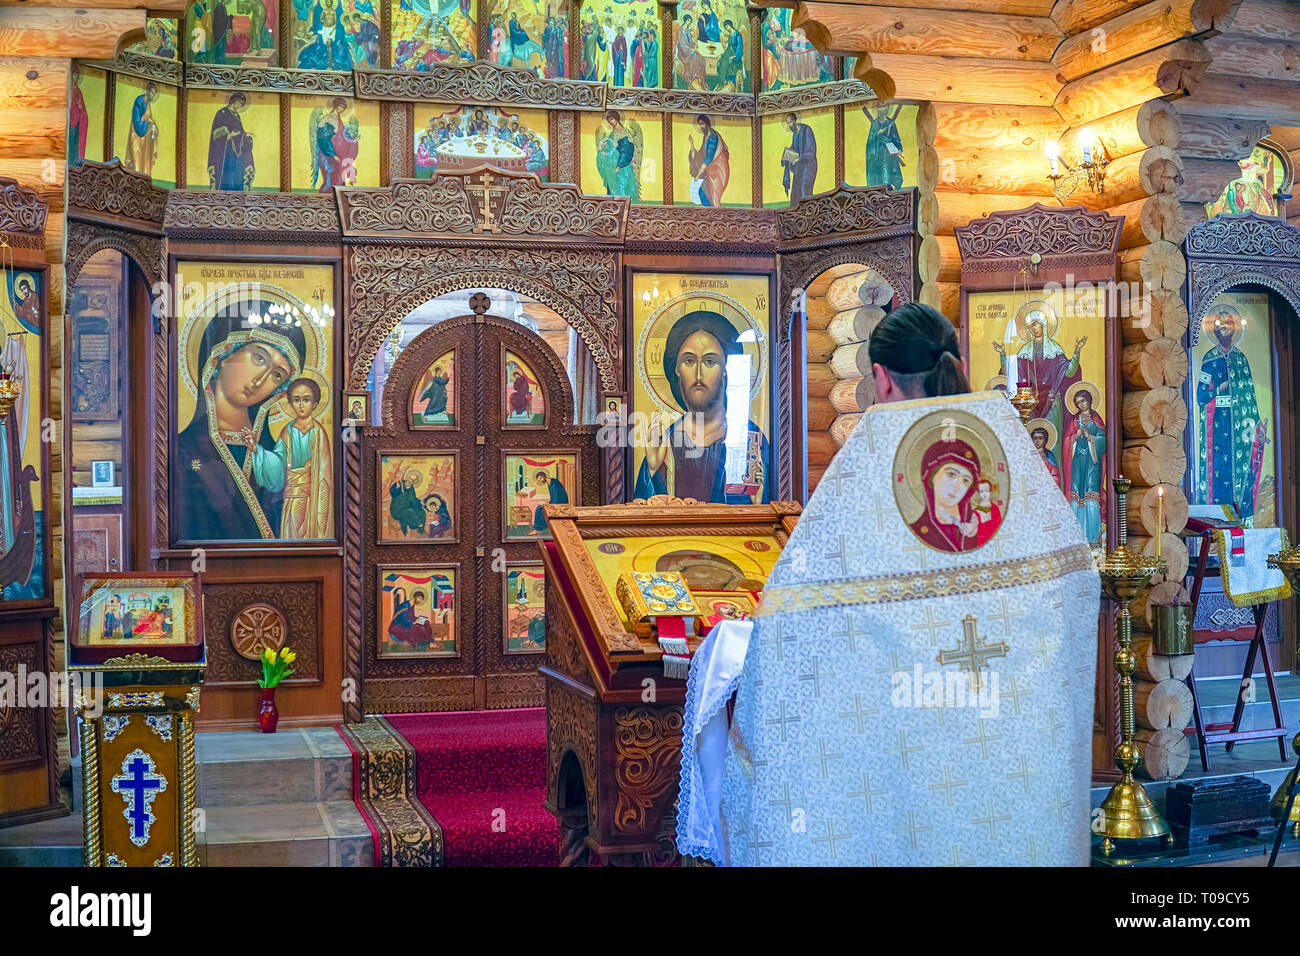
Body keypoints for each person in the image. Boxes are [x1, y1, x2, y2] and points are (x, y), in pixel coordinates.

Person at [677, 302, 1100, 866]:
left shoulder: (873, 464)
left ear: (879, 377)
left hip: (905, 735)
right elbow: (1072, 589)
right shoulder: (1010, 453)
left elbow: (796, 618)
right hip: (1004, 742)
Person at [174, 305, 306, 541]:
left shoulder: (273, 454)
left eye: (277, 375)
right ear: (224, 355)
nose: (260, 380)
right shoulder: (184, 449)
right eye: (258, 358)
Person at [633, 310, 770, 504]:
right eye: (689, 361)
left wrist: (759, 502)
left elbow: (771, 511)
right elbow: (642, 516)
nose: (698, 374)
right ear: (677, 370)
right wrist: (652, 470)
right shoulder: (665, 446)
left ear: (725, 370)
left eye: (709, 361)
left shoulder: (751, 441)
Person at [1196, 308, 1267, 521]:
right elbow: (1200, 396)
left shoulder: (1241, 359)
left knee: (1242, 468)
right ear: (1216, 333)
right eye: (1220, 329)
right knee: (1220, 471)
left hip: (1240, 427)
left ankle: (1242, 519)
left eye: (1228, 329)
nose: (1224, 333)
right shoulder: (1209, 359)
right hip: (1218, 423)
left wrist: (1258, 427)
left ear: (1234, 331)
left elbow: (1250, 397)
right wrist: (1218, 390)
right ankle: (1219, 520)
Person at [257, 376, 332, 539]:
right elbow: (277, 461)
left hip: (312, 496)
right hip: (290, 496)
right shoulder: (287, 431)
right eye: (296, 400)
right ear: (290, 403)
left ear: (315, 404)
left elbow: (324, 472)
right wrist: (258, 451)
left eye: (306, 400)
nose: (301, 405)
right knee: (291, 531)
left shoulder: (319, 433)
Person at [1062, 383, 1106, 546]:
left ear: (1089, 401)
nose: (1081, 405)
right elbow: (1066, 440)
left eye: (1083, 401)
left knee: (1090, 495)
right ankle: (1075, 539)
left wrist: (1090, 437)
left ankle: (1093, 539)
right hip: (1076, 463)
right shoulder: (1074, 420)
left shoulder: (1096, 419)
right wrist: (1074, 436)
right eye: (1078, 402)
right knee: (1076, 496)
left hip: (1092, 463)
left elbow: (1103, 441)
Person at [208, 91, 256, 190]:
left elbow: (239, 131)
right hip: (224, 150)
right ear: (232, 101)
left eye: (241, 104)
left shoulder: (236, 115)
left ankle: (237, 189)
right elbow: (215, 133)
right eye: (237, 102)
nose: (238, 105)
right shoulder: (222, 113)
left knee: (237, 168)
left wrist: (245, 134)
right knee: (226, 170)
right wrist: (228, 136)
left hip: (236, 150)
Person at [688, 114, 729, 207]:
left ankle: (713, 215)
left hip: (717, 170)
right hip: (709, 170)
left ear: (707, 124)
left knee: (705, 193)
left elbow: (708, 158)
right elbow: (701, 155)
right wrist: (692, 145)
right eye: (699, 124)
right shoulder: (706, 137)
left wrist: (698, 175)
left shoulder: (713, 137)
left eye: (702, 124)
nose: (701, 127)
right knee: (704, 193)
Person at [780, 111, 817, 205]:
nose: (789, 125)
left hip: (809, 167)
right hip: (799, 168)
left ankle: (808, 215)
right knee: (795, 194)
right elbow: (794, 149)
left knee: (805, 191)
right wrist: (786, 157)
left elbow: (811, 151)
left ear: (795, 120)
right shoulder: (795, 134)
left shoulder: (806, 130)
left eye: (790, 122)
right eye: (788, 123)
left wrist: (799, 158)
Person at [125, 82, 159, 177]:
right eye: (152, 93)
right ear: (148, 91)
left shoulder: (148, 104)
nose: (152, 96)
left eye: (154, 94)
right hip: (136, 136)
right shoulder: (139, 101)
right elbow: (136, 122)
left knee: (144, 161)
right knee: (136, 161)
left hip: (145, 139)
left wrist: (153, 128)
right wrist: (148, 122)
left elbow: (149, 120)